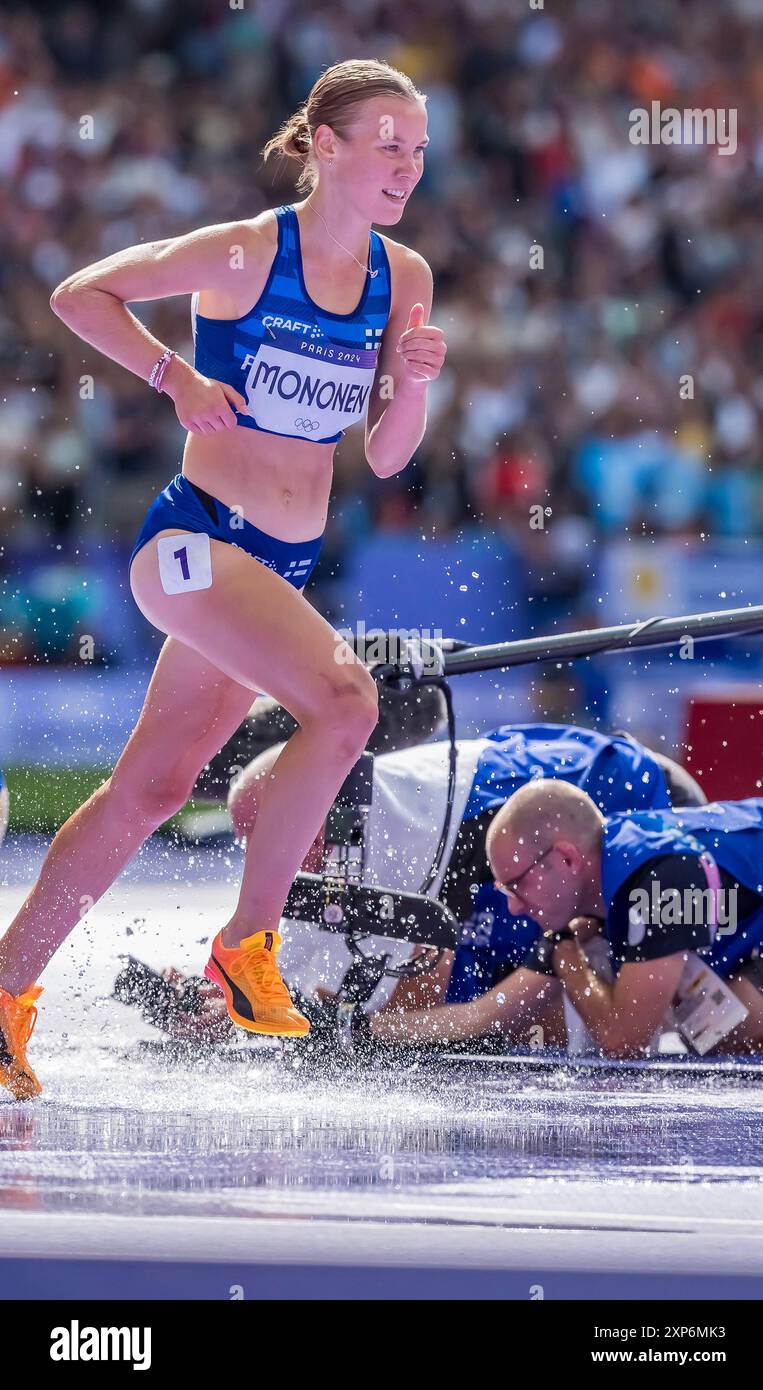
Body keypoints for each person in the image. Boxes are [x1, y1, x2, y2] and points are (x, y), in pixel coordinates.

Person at [0, 58, 447, 1099]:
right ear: (323, 146)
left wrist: (414, 389)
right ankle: (246, 944)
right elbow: (81, 293)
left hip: (274, 561)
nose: (406, 164)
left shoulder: (404, 278)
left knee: (150, 790)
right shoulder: (250, 250)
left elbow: (384, 457)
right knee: (347, 702)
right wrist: (175, 376)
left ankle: (7, 988)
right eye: (387, 141)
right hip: (195, 542)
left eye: (418, 149)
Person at [116, 721, 705, 1051]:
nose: (263, 863)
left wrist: (271, 1013)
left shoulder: (403, 831)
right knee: (497, 1008)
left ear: (311, 818)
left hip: (645, 807)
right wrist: (214, 1003)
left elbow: (417, 1000)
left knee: (536, 1019)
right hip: (546, 826)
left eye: (266, 841)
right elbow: (280, 965)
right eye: (250, 846)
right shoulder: (340, 818)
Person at [481, 781, 763, 1059]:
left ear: (567, 859)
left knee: (730, 1039)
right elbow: (482, 1016)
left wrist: (567, 957)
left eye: (517, 885)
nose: (513, 908)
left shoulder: (661, 880)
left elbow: (623, 1042)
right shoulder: (604, 871)